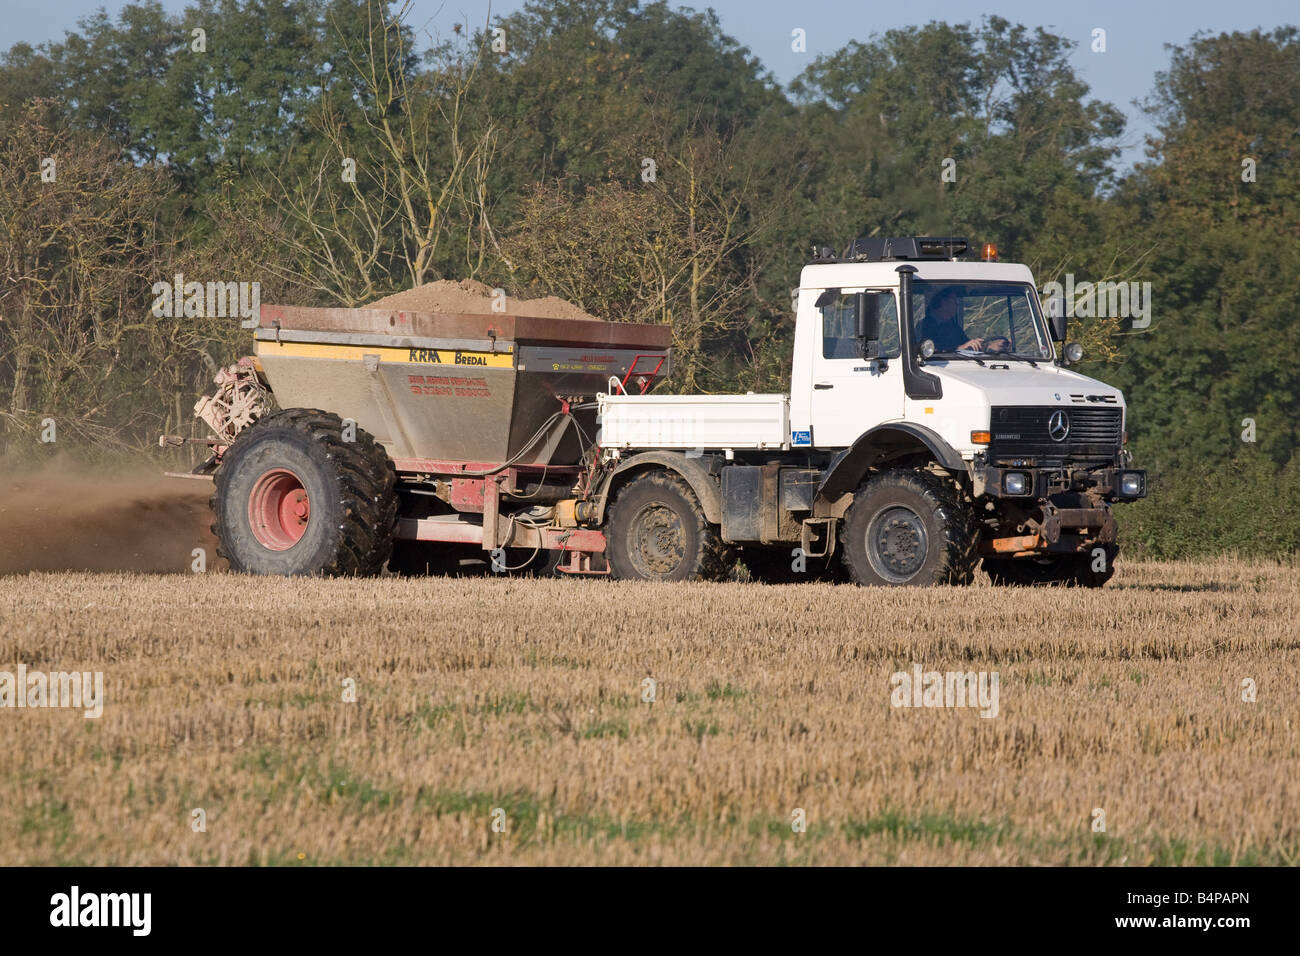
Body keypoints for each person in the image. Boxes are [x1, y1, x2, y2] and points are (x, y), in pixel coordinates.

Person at [916, 287, 1008, 352]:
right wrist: (960, 348)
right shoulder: (925, 325)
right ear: (943, 302)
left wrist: (992, 347)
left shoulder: (953, 327)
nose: (957, 305)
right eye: (954, 302)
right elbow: (930, 351)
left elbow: (969, 345)